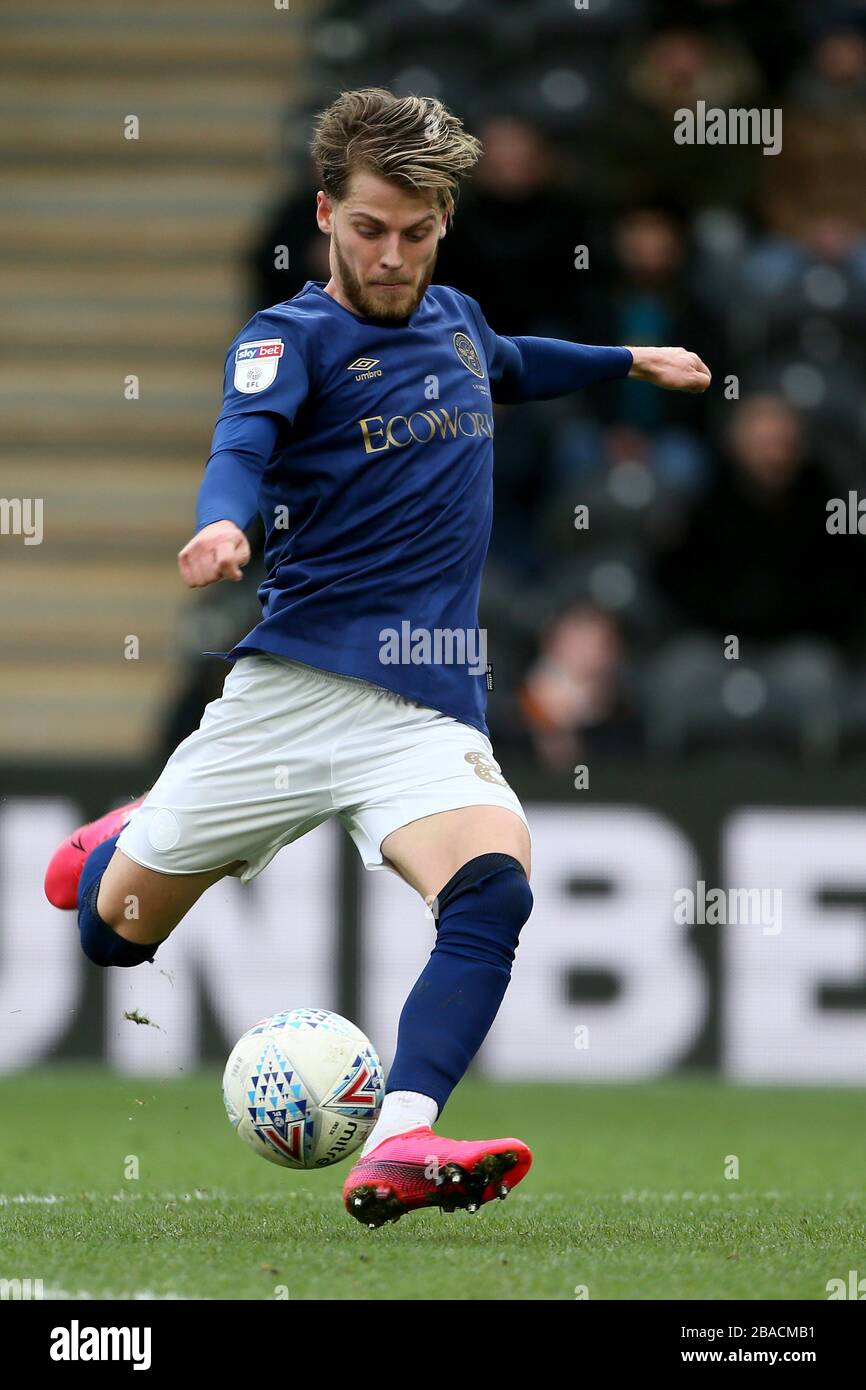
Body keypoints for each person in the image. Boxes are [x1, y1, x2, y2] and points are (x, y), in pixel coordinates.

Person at [44, 87, 710, 1228]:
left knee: (493, 889)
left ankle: (400, 1141)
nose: (390, 256)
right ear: (324, 214)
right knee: (112, 936)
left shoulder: (452, 316)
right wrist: (226, 523)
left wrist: (622, 359)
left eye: (414, 232)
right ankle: (122, 837)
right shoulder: (284, 339)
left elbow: (508, 362)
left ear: (442, 222)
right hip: (292, 694)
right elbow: (240, 446)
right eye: (367, 230)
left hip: (425, 708)